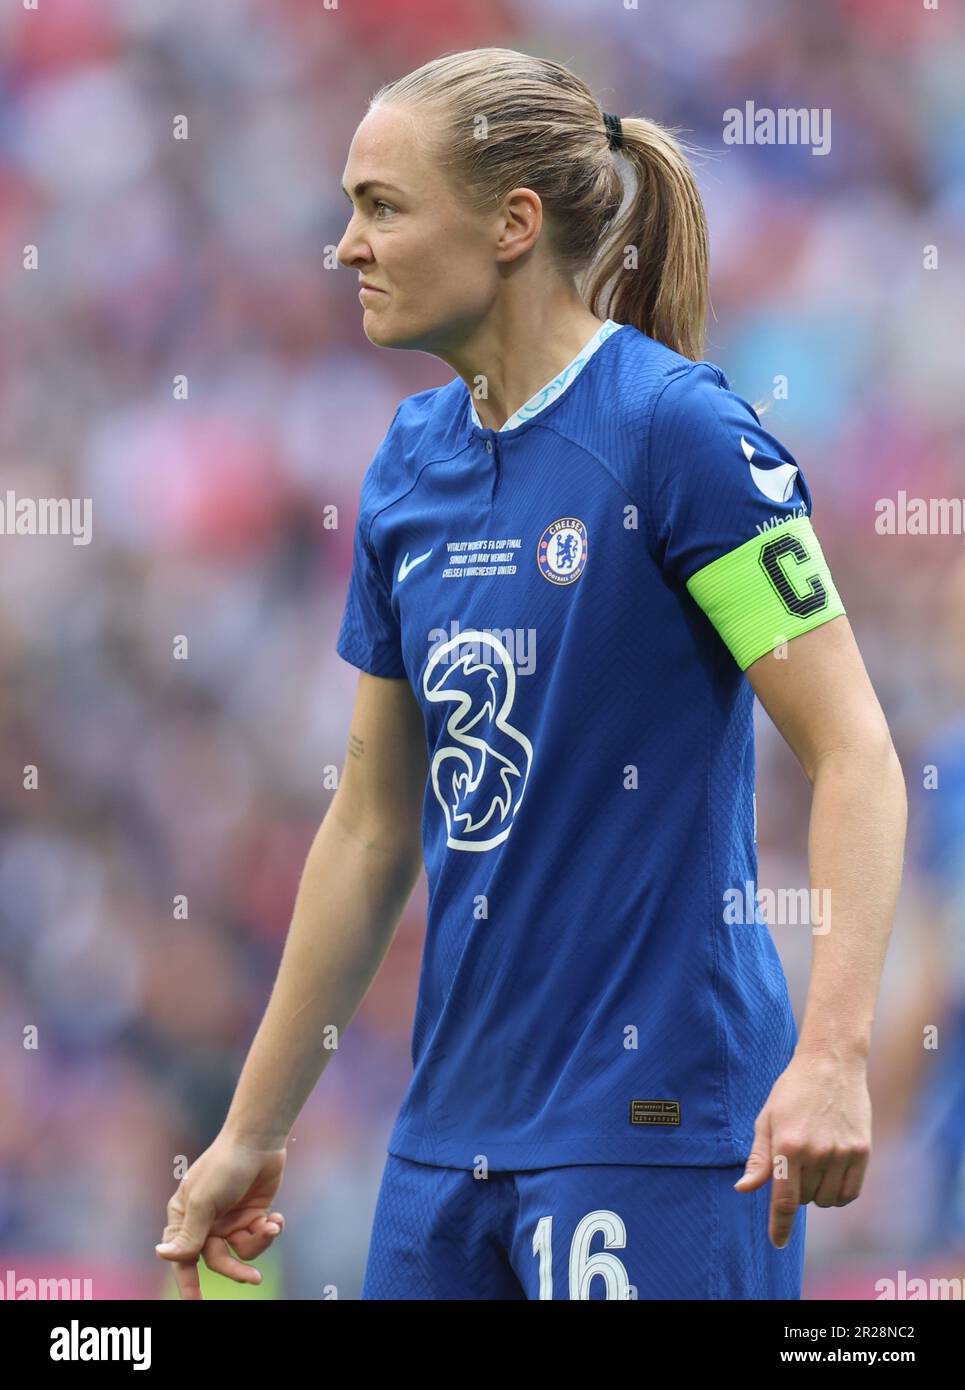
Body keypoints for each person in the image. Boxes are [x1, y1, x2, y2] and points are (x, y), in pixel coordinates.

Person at [156, 47, 907, 1301]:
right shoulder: (407, 463)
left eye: (382, 206)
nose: (345, 245)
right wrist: (250, 1129)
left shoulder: (678, 434)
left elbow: (854, 752)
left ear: (513, 225)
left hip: (658, 1133)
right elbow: (367, 827)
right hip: (448, 1141)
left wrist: (831, 1053)